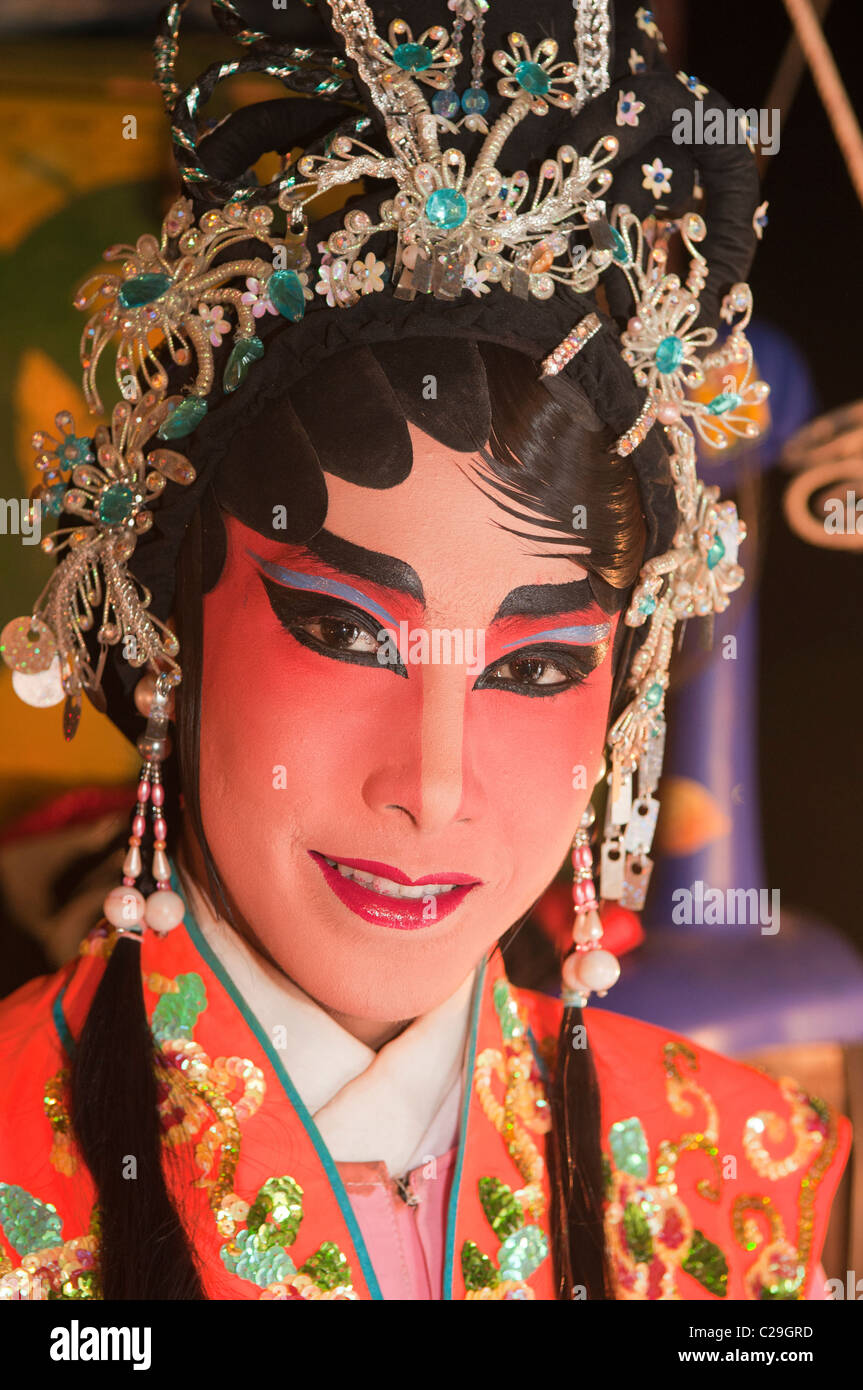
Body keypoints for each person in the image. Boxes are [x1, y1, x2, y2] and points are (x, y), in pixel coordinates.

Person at [0, 0, 850, 1301]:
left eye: (536, 665)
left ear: (625, 703)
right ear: (169, 634)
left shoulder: (745, 1177)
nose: (434, 782)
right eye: (345, 628)